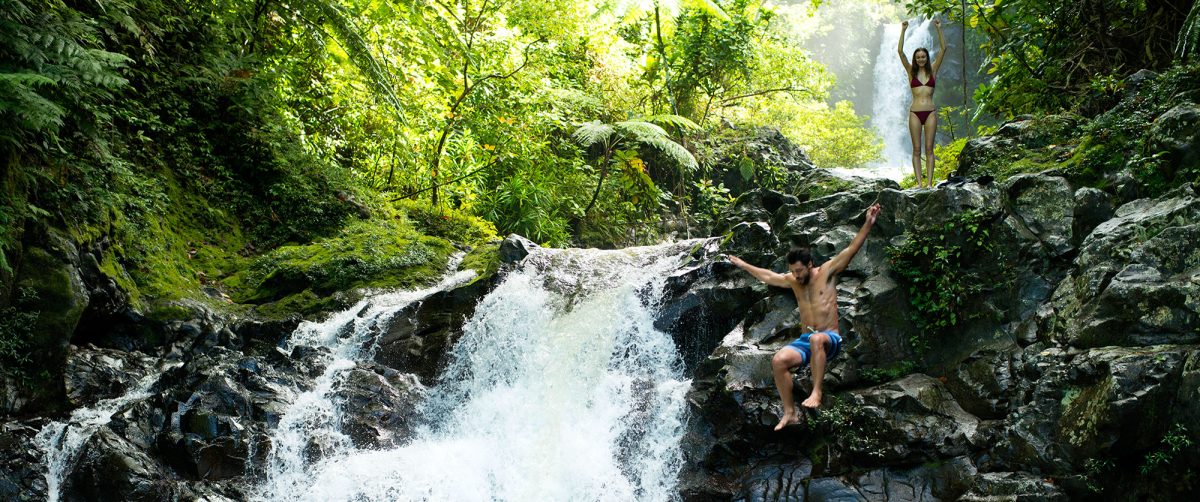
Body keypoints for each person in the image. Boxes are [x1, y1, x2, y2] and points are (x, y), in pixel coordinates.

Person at [727, 203, 881, 431]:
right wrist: (742, 264)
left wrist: (868, 223)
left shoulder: (827, 272)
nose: (796, 275)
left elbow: (850, 250)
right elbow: (768, 276)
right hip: (805, 341)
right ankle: (790, 412)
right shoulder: (792, 280)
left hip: (829, 338)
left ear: (810, 265)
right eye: (793, 271)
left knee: (817, 339)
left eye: (799, 271)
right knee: (779, 361)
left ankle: (816, 392)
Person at [898, 19, 945, 189]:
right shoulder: (911, 72)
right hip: (915, 113)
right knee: (917, 149)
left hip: (930, 112)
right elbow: (900, 52)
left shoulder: (934, 69)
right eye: (918, 57)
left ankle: (930, 183)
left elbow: (943, 50)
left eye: (923, 56)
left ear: (927, 57)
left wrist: (939, 29)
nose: (921, 59)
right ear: (915, 59)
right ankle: (919, 183)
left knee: (929, 149)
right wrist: (903, 30)